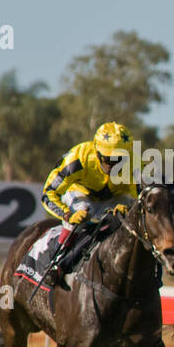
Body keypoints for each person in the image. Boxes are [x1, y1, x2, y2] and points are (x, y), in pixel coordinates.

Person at [41, 122, 138, 286]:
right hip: (80, 194)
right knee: (81, 212)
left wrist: (131, 209)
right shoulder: (78, 159)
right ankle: (56, 264)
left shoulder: (136, 164)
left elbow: (145, 198)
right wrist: (68, 214)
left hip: (116, 198)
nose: (114, 165)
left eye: (120, 159)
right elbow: (48, 194)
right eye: (109, 160)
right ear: (97, 152)